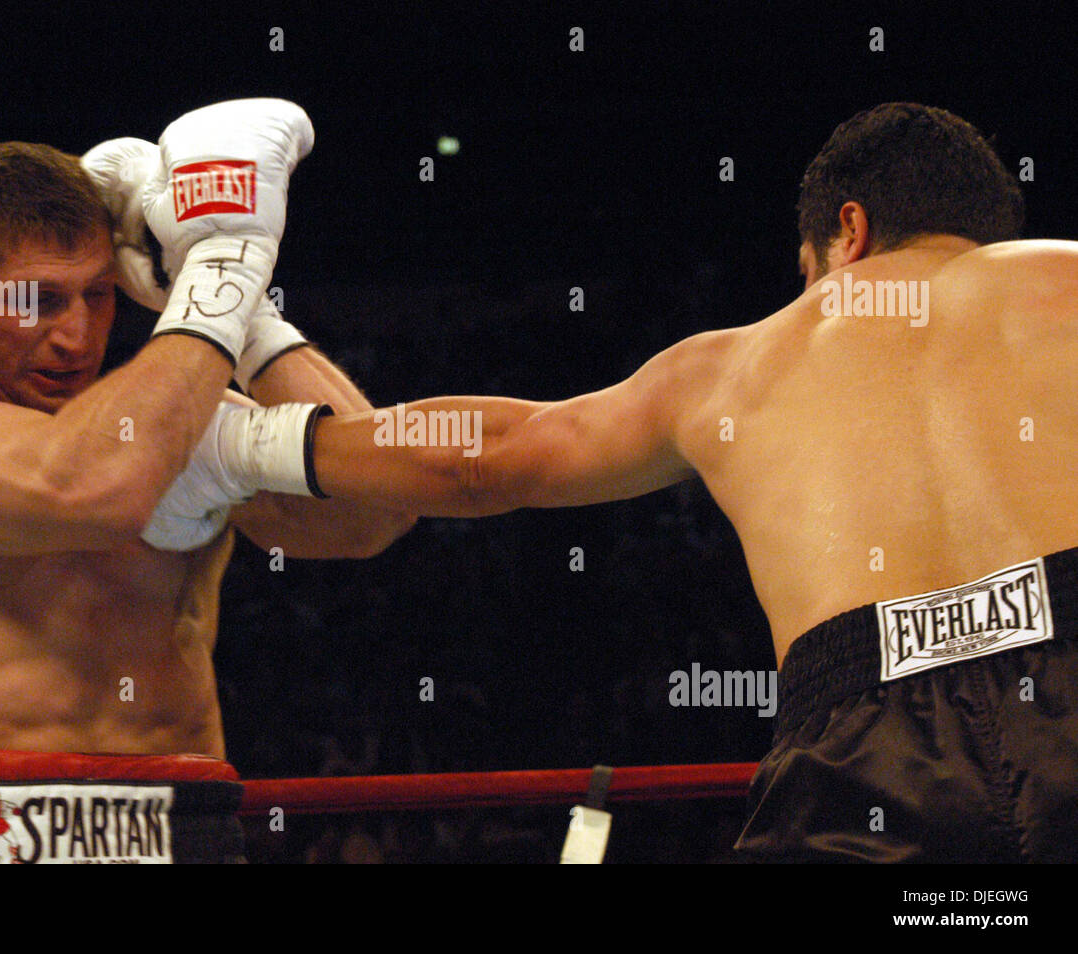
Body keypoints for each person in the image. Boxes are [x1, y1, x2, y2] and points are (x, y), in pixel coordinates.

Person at [298, 103, 1078, 861]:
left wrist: (254, 438)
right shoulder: (1064, 278)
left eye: (805, 276)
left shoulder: (730, 365)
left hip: (862, 744)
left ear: (848, 232)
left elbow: (491, 456)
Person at [0, 99, 413, 863]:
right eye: (39, 300)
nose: (77, 335)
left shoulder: (167, 416)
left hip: (182, 819)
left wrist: (245, 313)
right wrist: (224, 262)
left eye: (100, 294)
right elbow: (91, 489)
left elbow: (373, 515)